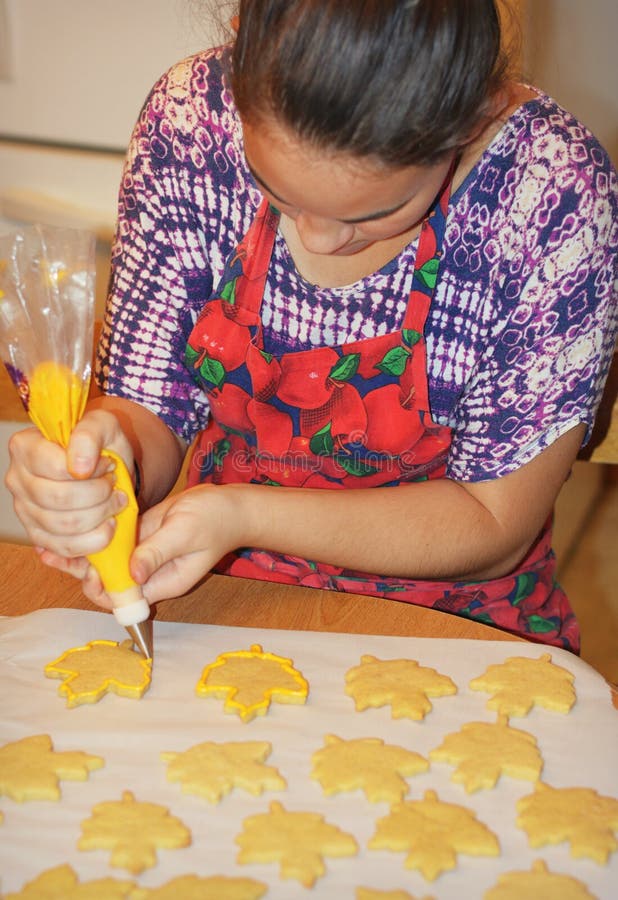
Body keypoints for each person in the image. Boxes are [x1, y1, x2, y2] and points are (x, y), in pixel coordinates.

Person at [6, 0, 617, 653]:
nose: (320, 239)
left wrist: (240, 514)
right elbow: (150, 410)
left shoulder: (550, 193)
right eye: (279, 190)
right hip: (224, 596)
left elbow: (495, 525)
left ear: (475, 109)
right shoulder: (191, 125)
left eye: (380, 210)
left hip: (462, 624)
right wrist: (109, 459)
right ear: (243, 60)